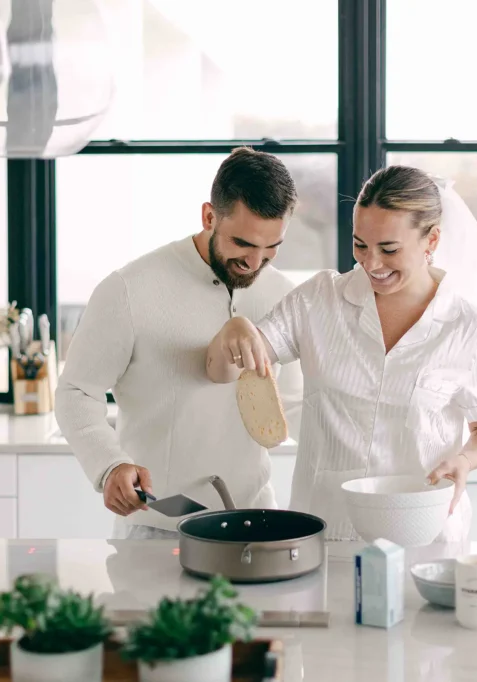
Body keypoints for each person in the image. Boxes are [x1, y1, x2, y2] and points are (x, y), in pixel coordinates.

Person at [206, 165, 477, 542]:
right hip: (329, 531)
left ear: (431, 240)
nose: (371, 263)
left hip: (424, 531)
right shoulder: (318, 300)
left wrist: (464, 460)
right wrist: (233, 330)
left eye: (389, 249)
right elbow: (222, 371)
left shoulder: (468, 328)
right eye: (360, 244)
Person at [56, 147, 304, 540]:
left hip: (256, 524)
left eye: (271, 248)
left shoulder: (284, 296)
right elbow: (75, 392)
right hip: (157, 528)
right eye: (243, 243)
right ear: (209, 216)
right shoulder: (129, 290)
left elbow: (293, 404)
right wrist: (109, 465)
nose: (255, 263)